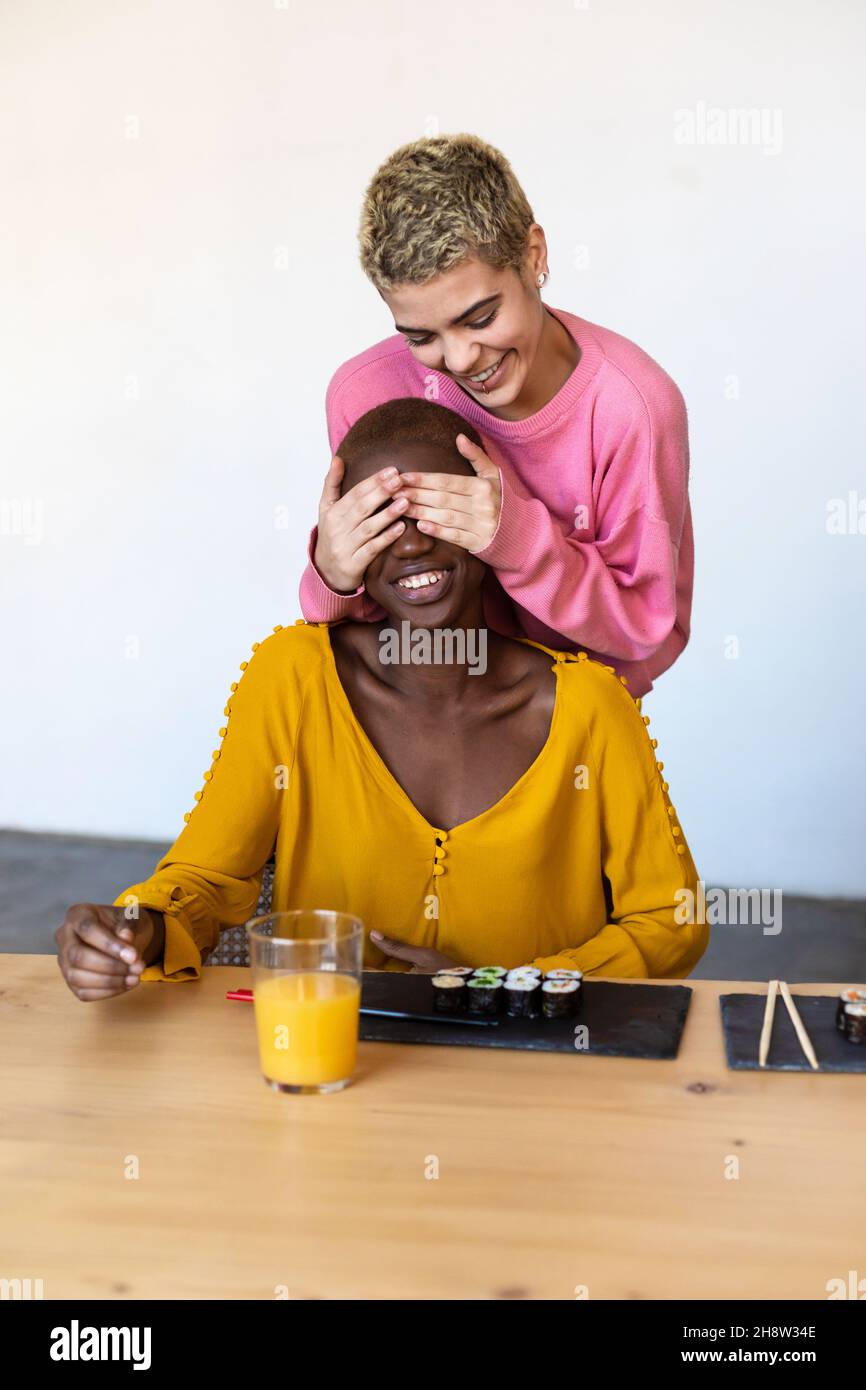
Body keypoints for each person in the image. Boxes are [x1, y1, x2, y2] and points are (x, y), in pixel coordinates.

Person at [55, 400, 706, 1002]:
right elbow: (203, 882)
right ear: (341, 541)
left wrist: (497, 988)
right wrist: (133, 927)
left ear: (492, 516)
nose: (413, 544)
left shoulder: (589, 704)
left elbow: (669, 921)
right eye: (379, 522)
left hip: (533, 1078)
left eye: (436, 511)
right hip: (333, 1070)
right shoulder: (293, 679)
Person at [300, 133, 693, 699]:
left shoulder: (632, 406)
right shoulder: (365, 392)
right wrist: (332, 577)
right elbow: (368, 611)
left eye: (480, 318)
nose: (459, 360)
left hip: (563, 720)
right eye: (421, 336)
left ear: (534, 257)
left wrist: (514, 538)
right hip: (417, 713)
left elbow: (643, 631)